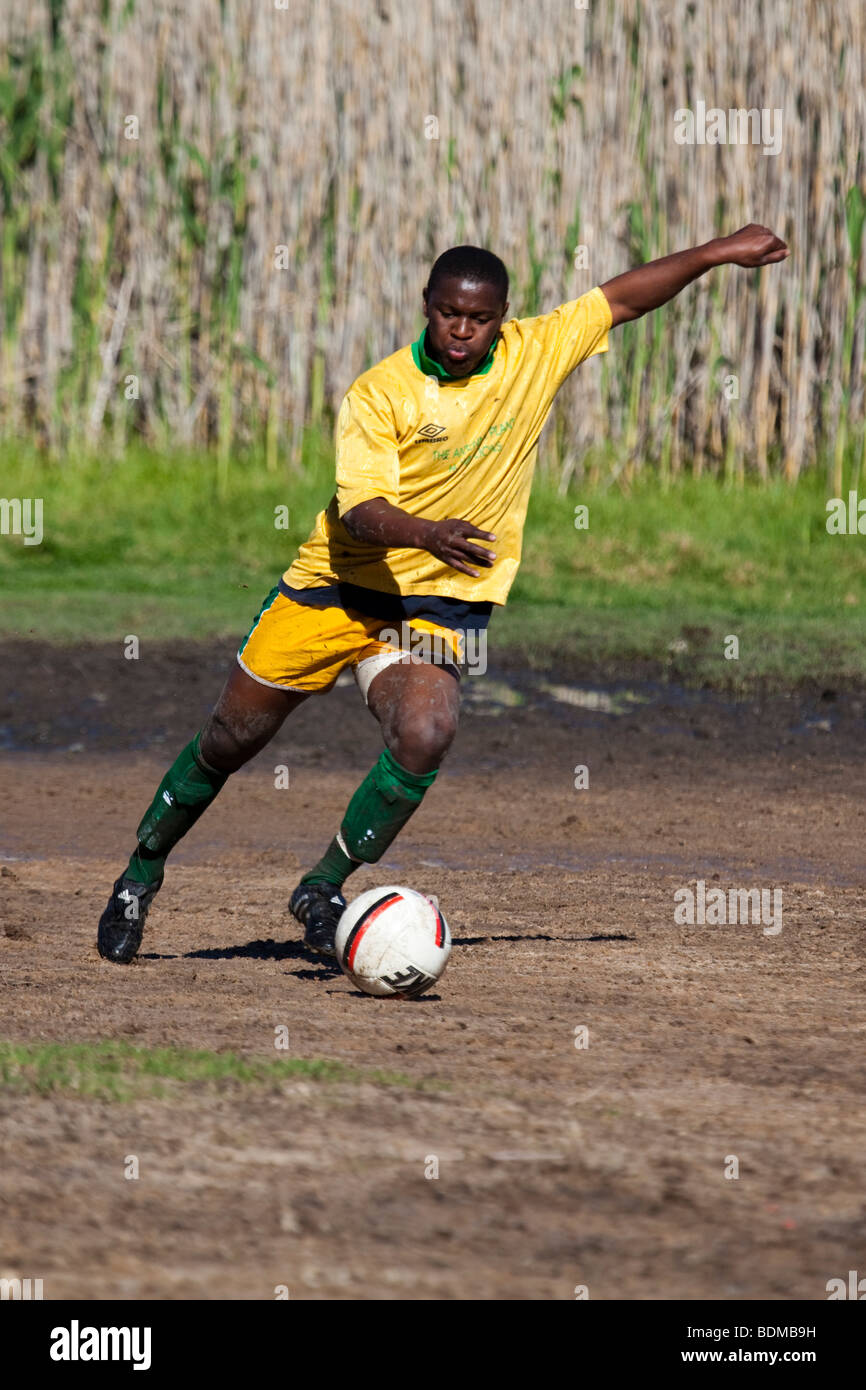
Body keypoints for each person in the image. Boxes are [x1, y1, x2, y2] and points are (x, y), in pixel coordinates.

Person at [97, 226, 788, 964]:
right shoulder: (381, 392)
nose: (463, 331)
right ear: (426, 307)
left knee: (427, 730)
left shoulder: (535, 352)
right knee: (232, 738)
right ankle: (140, 875)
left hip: (434, 608)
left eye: (480, 317)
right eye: (448, 314)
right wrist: (427, 534)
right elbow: (360, 510)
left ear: (503, 316)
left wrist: (714, 255)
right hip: (336, 589)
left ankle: (322, 886)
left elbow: (621, 299)